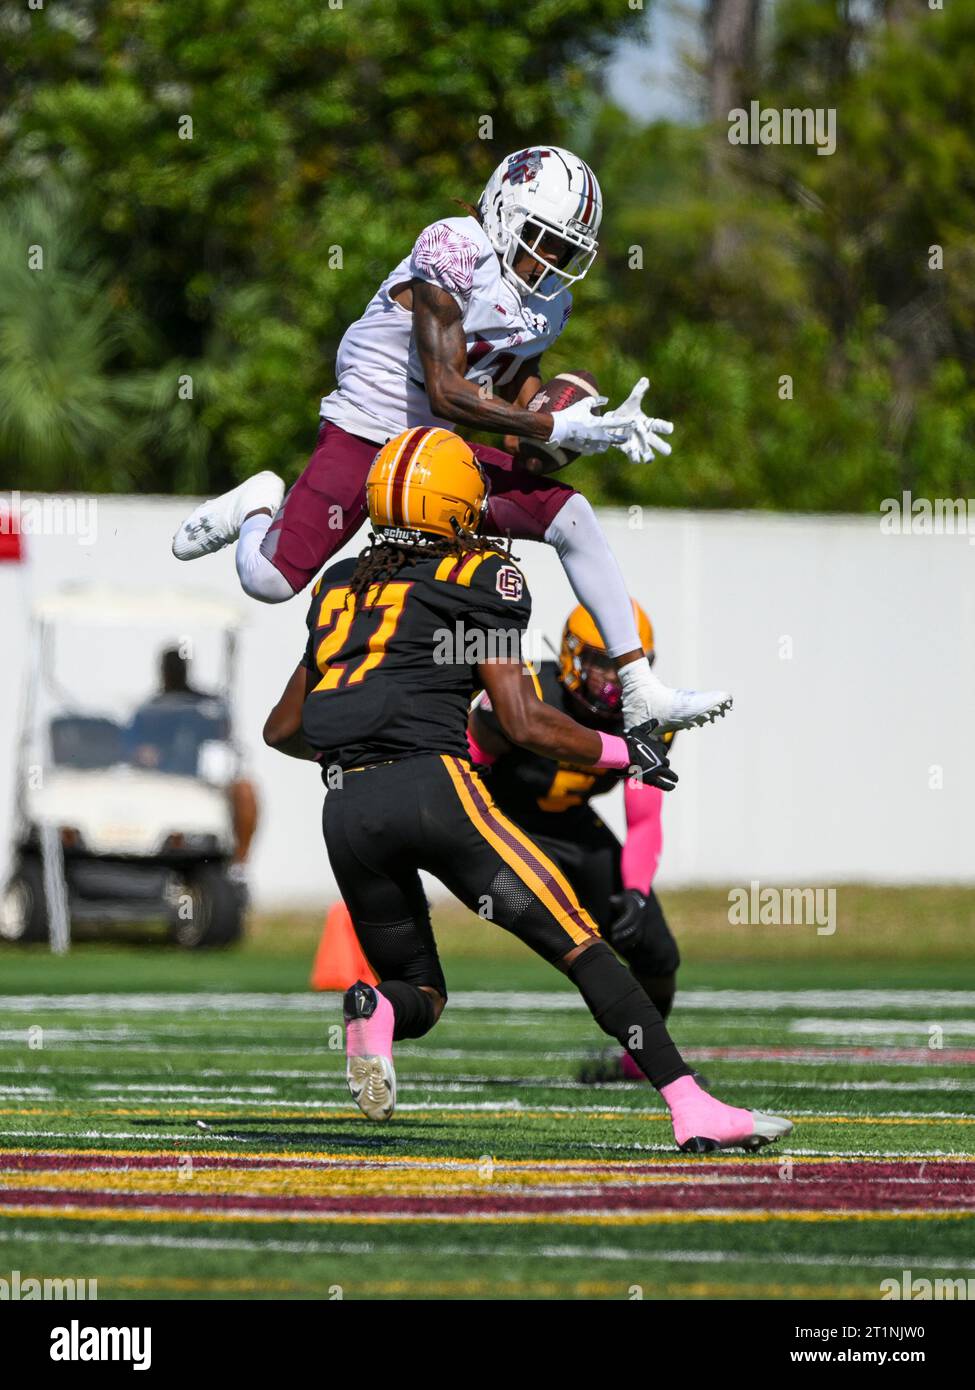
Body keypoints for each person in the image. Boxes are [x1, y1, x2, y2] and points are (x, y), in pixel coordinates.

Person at [263, 425, 790, 1154]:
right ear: (453, 505)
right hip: (434, 788)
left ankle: (376, 1008)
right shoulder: (485, 578)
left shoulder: (339, 585)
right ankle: (689, 1103)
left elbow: (283, 727)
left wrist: (363, 742)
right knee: (581, 941)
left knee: (421, 988)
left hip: (346, 806)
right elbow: (519, 720)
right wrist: (624, 749)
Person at [174, 144, 731, 735]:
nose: (549, 261)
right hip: (368, 425)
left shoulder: (551, 303)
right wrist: (553, 425)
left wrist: (588, 430)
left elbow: (519, 400)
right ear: (503, 210)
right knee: (267, 581)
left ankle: (640, 686)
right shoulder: (454, 245)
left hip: (434, 454)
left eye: (564, 250)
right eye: (542, 239)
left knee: (570, 515)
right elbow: (446, 388)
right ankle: (258, 504)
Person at [469, 600, 682, 1084]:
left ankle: (636, 1063)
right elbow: (462, 765)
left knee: (656, 949)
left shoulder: (646, 720)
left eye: (627, 664)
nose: (613, 679)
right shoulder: (525, 692)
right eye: (602, 662)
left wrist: (636, 892)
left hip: (569, 824)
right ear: (570, 655)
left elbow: (644, 820)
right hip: (497, 816)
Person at [130, 649, 259, 871]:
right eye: (171, 667)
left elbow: (225, 737)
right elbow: (131, 748)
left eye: (178, 666)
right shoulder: (149, 710)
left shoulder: (206, 705)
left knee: (245, 791)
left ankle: (238, 865)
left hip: (203, 783)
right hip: (159, 782)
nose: (174, 672)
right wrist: (143, 753)